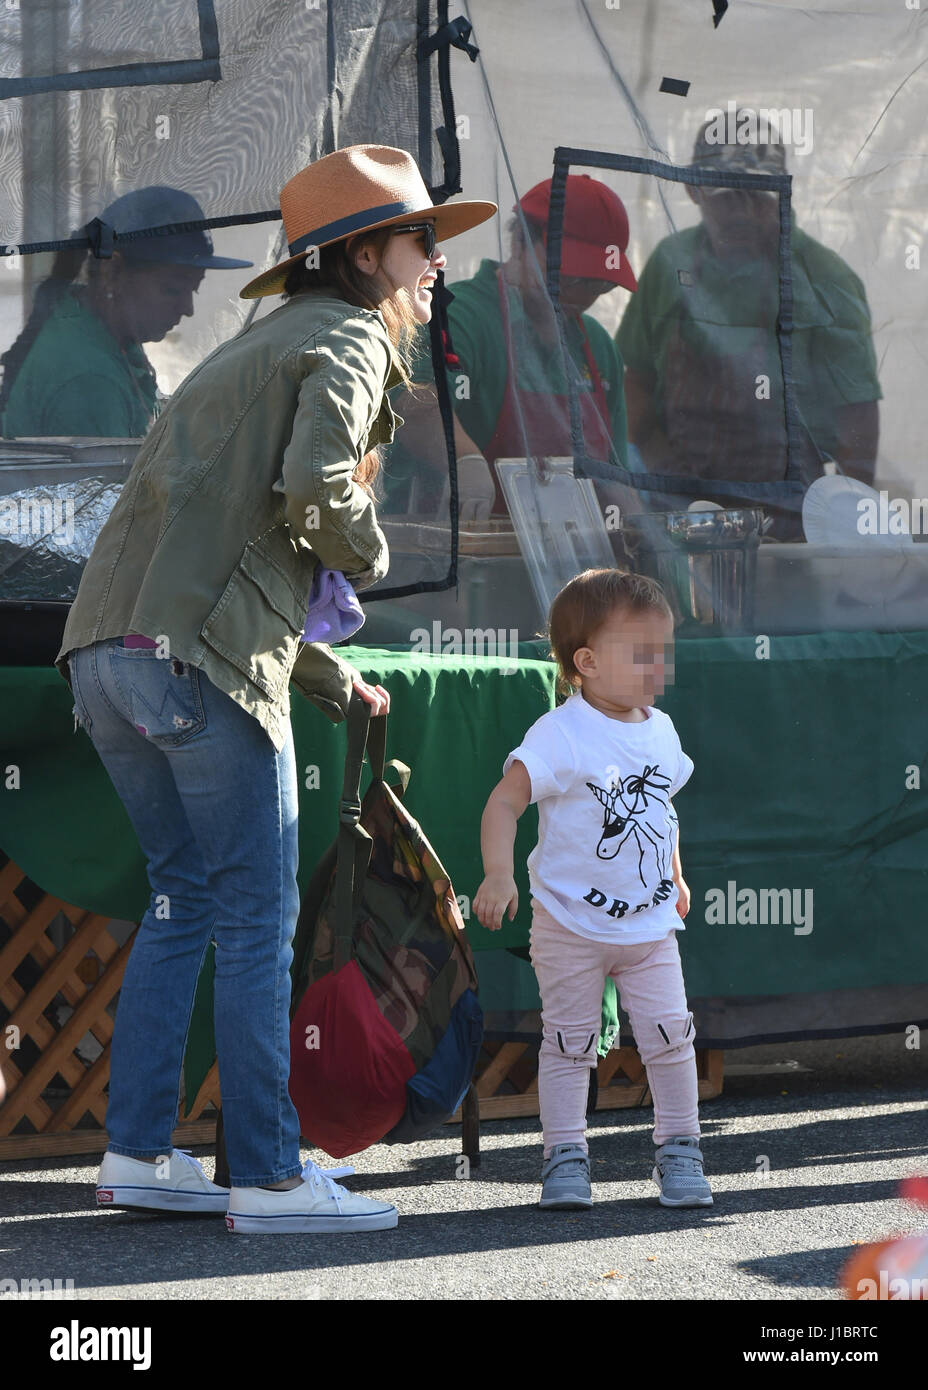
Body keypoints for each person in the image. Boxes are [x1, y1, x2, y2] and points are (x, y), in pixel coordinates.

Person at [53, 145, 496, 1234]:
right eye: (419, 240)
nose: (436, 260)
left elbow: (207, 549)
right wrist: (370, 549)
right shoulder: (347, 336)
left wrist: (321, 666)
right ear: (361, 255)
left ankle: (139, 1154)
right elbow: (314, 491)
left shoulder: (254, 347)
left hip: (105, 658)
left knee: (179, 901)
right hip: (192, 661)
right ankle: (265, 1171)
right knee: (256, 919)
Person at [474, 567, 712, 1210]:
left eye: (663, 652)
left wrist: (677, 873)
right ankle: (565, 1158)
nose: (658, 667)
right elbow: (504, 802)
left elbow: (664, 811)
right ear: (587, 662)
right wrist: (499, 874)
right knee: (569, 1042)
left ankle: (681, 1151)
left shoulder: (660, 729)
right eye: (642, 653)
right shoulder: (561, 732)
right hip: (568, 925)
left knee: (671, 1035)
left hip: (650, 927)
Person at [616, 115, 882, 536]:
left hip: (793, 510)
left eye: (756, 197)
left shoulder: (827, 279)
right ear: (694, 191)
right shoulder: (672, 262)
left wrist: (847, 522)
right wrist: (663, 470)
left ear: (782, 191)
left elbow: (858, 415)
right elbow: (636, 381)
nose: (741, 212)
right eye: (727, 197)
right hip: (682, 504)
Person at [385, 174, 638, 517]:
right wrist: (467, 461)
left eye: (600, 286)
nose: (581, 297)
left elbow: (613, 468)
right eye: (571, 279)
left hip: (561, 559)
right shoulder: (457, 318)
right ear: (520, 243)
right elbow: (413, 404)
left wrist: (637, 523)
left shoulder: (598, 347)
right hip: (449, 554)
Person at [0, 186, 253, 438]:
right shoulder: (91, 382)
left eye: (194, 289)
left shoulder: (96, 328)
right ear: (113, 272)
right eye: (172, 289)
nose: (188, 309)